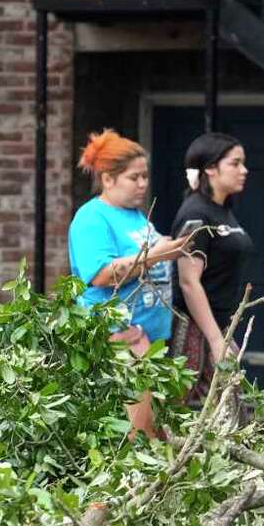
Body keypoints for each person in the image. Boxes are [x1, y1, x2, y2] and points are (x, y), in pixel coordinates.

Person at [68, 128, 195, 440]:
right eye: (133, 177)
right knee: (139, 437)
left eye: (145, 176)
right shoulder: (92, 218)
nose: (142, 184)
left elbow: (145, 254)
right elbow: (101, 274)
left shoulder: (136, 217)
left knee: (158, 430)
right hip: (121, 341)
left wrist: (168, 246)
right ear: (108, 179)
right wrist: (156, 254)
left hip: (149, 341)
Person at [170, 133, 256, 405]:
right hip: (194, 331)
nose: (244, 170)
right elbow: (188, 282)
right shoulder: (196, 213)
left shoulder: (222, 211)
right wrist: (216, 341)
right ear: (210, 168)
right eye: (235, 163)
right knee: (177, 409)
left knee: (229, 408)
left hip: (220, 325)